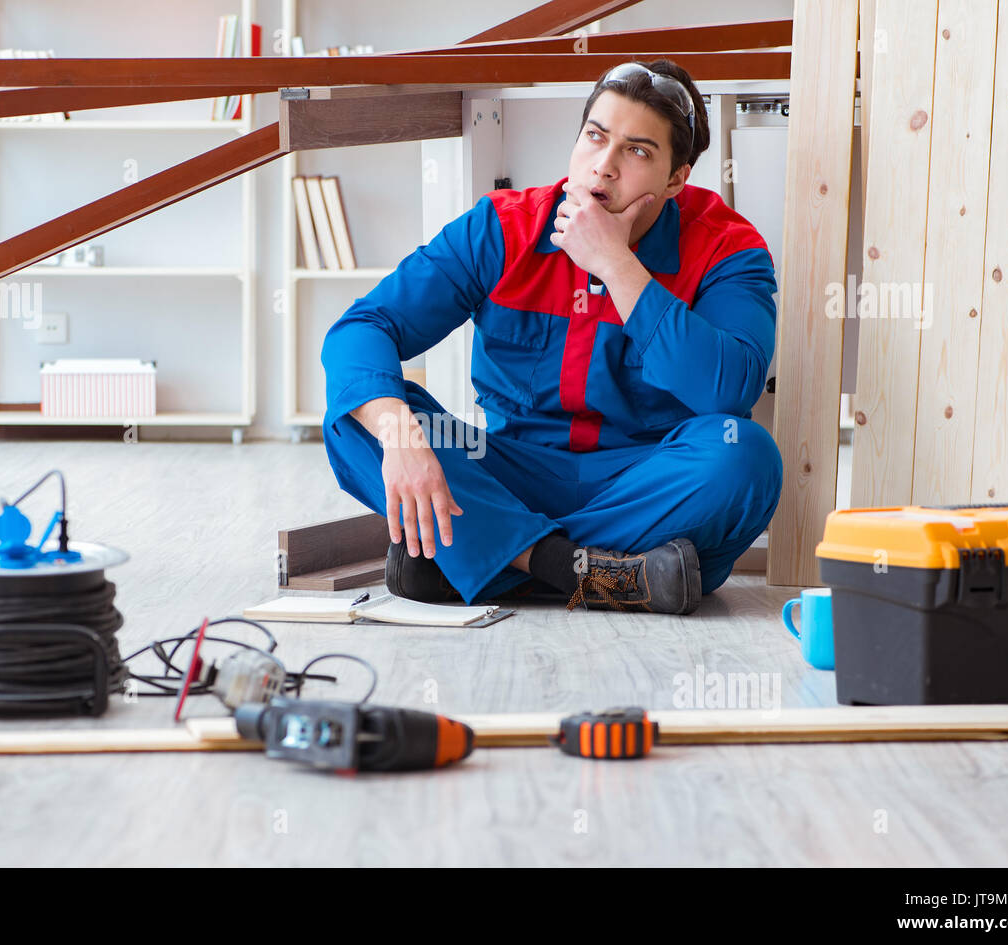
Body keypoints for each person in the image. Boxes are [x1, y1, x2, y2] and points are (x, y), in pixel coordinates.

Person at [318, 59, 782, 614]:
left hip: (644, 477)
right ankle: (599, 574)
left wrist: (616, 264)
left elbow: (728, 389)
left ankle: (489, 559)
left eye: (637, 151)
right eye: (595, 137)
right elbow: (363, 327)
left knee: (744, 456)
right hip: (513, 471)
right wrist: (399, 436)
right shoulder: (503, 227)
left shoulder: (727, 248)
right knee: (359, 417)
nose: (602, 168)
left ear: (677, 179)